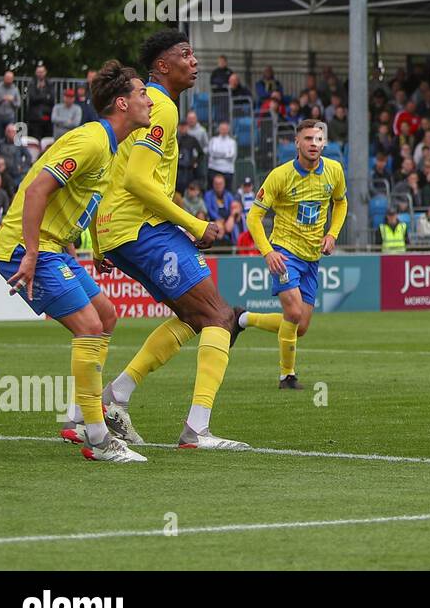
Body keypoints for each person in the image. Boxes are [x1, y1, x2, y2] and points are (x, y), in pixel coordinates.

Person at [0, 60, 153, 462]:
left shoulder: (112, 145)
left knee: (107, 316)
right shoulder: (91, 141)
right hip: (27, 249)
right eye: (142, 94)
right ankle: (98, 439)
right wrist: (29, 253)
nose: (149, 101)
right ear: (122, 102)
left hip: (53, 248)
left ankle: (81, 417)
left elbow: (91, 201)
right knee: (90, 328)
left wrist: (95, 248)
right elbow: (36, 192)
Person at [95, 29, 248, 451]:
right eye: (185, 54)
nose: (194, 60)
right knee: (220, 316)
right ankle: (196, 431)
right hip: (141, 229)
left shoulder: (150, 105)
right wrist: (195, 226)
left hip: (122, 228)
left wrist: (96, 233)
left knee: (193, 317)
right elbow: (138, 180)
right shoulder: (158, 106)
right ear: (163, 65)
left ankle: (117, 395)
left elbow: (118, 173)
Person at [237, 119, 347, 389]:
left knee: (300, 327)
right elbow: (254, 218)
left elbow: (341, 202)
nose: (313, 144)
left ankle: (243, 318)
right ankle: (287, 375)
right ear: (297, 142)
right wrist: (268, 252)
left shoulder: (334, 171)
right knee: (294, 312)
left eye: (318, 139)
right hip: (284, 253)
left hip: (312, 257)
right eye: (308, 139)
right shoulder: (280, 175)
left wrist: (332, 233)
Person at [0, 70, 20, 141]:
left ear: (12, 79)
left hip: (10, 117)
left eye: (10, 79)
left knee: (10, 137)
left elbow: (18, 104)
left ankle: (9, 151)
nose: (9, 80)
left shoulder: (15, 90)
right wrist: (1, 100)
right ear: (4, 78)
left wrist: (12, 101)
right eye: (7, 78)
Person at [206, 121, 237, 192]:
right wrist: (225, 154)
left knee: (227, 192)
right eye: (222, 128)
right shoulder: (213, 140)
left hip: (227, 171)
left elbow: (231, 156)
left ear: (228, 130)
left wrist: (218, 154)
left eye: (225, 129)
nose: (224, 130)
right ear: (219, 129)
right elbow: (213, 153)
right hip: (214, 169)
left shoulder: (232, 142)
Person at [176, 120, 205, 193]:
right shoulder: (175, 139)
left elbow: (201, 153)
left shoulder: (192, 139)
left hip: (188, 170)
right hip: (176, 169)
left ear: (187, 127)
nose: (182, 129)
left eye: (184, 127)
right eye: (181, 127)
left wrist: (195, 163)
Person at [25, 63, 53, 139]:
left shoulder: (49, 83)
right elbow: (32, 98)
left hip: (47, 116)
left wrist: (39, 96)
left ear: (45, 72)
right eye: (38, 72)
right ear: (36, 73)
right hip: (34, 118)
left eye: (42, 72)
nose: (40, 74)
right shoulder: (32, 83)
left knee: (46, 140)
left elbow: (51, 99)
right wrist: (45, 96)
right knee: (35, 139)